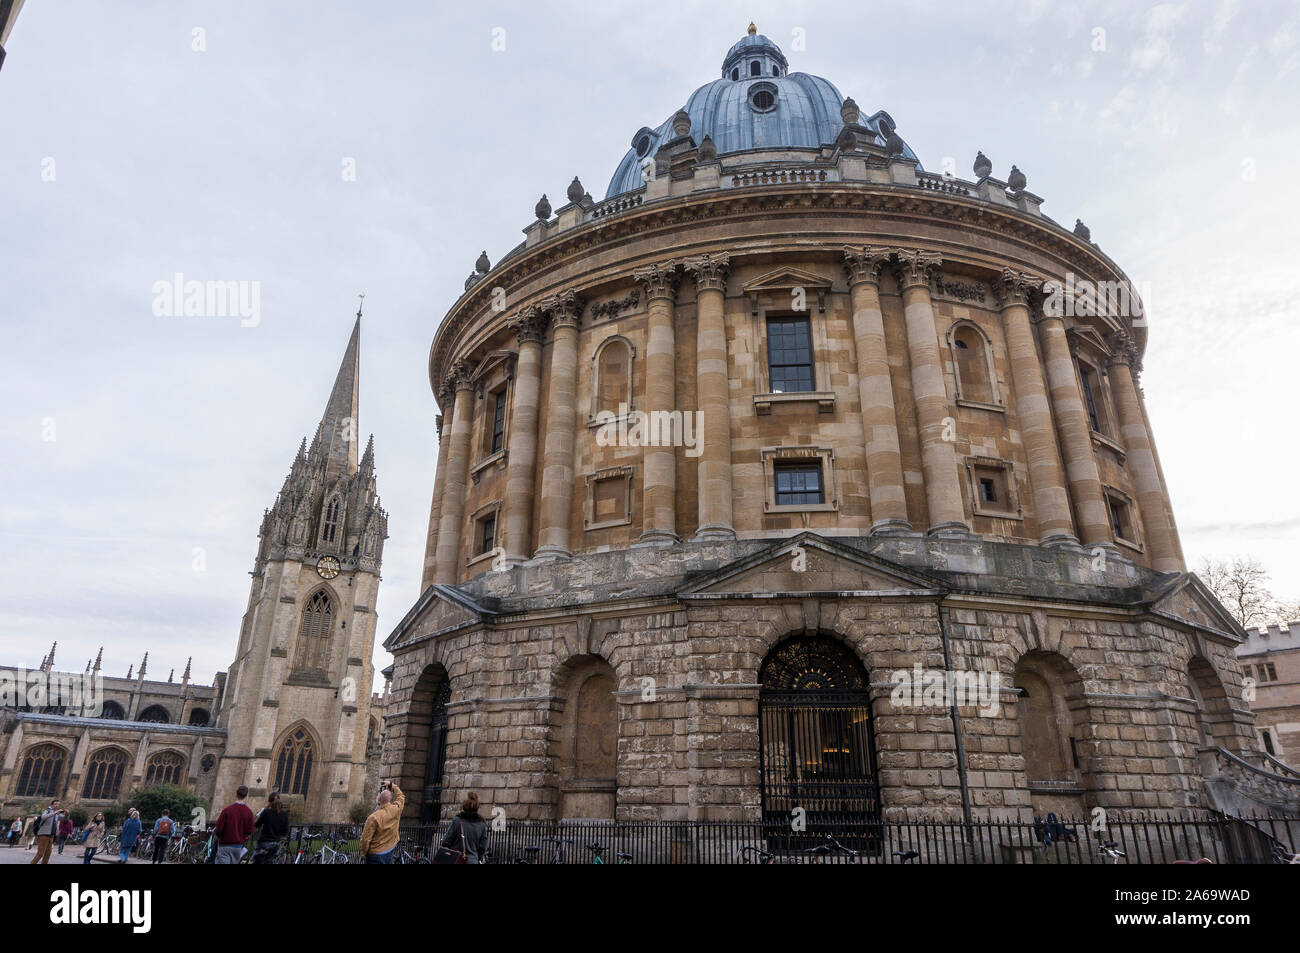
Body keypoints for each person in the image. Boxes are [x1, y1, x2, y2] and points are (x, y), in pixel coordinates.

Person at [359, 780, 404, 864]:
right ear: (390, 799)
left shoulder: (373, 817)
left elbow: (365, 839)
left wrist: (363, 853)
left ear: (379, 800)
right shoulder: (396, 810)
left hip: (375, 854)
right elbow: (401, 796)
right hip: (389, 851)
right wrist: (391, 784)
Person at [437, 792, 489, 865]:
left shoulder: (457, 821)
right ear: (477, 807)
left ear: (464, 806)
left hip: (456, 860)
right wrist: (477, 857)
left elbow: (446, 841)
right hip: (473, 861)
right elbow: (483, 847)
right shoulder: (482, 824)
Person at [213, 786, 256, 864]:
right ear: (246, 796)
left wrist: (219, 835)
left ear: (236, 794)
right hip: (238, 846)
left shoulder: (227, 810)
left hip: (225, 845)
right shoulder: (249, 812)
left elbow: (219, 829)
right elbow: (250, 830)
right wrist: (244, 837)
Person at [252, 792, 289, 864]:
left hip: (264, 842)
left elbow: (256, 824)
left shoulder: (266, 812)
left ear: (270, 802)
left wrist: (265, 807)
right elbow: (285, 831)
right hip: (275, 843)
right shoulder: (284, 814)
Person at [28, 800, 61, 865]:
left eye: (58, 804)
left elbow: (59, 821)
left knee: (48, 854)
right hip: (44, 835)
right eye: (55, 804)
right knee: (40, 853)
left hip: (51, 836)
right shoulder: (47, 811)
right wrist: (54, 813)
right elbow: (43, 817)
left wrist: (67, 814)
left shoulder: (56, 814)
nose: (57, 805)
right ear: (52, 804)